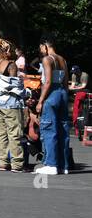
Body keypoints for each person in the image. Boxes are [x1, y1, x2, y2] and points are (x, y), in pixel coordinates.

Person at [0, 38, 26, 173]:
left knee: (1, 133)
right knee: (14, 133)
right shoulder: (11, 65)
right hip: (10, 103)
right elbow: (14, 86)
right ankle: (17, 164)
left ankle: (3, 162)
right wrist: (25, 91)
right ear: (7, 50)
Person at [34, 34, 69, 176]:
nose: (41, 51)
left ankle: (51, 164)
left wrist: (40, 101)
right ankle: (63, 165)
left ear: (45, 46)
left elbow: (47, 82)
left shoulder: (48, 59)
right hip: (62, 94)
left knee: (49, 129)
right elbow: (66, 82)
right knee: (63, 130)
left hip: (52, 94)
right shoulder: (63, 60)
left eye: (41, 48)